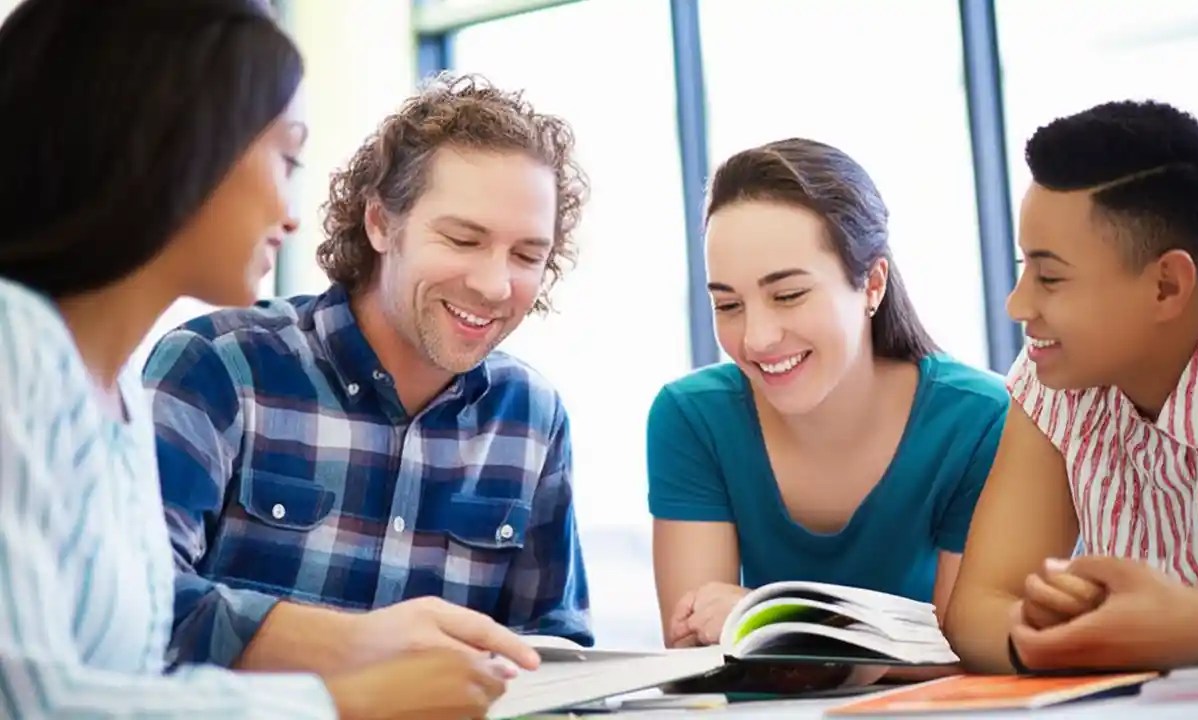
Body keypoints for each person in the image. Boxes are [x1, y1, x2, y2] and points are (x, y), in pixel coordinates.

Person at [0, 0, 528, 717]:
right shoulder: (16, 346)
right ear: (175, 143)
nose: (291, 208)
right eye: (286, 157)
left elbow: (135, 683)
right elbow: (29, 700)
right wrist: (343, 701)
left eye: (528, 253)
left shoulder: (113, 386)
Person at [142, 70, 593, 676]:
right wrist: (354, 648)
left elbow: (554, 648)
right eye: (462, 239)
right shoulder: (220, 367)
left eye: (526, 256)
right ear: (379, 222)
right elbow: (136, 607)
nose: (493, 285)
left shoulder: (532, 417)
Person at [945, 99, 1198, 674]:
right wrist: (1056, 629)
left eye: (1050, 277)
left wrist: (1189, 626)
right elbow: (976, 610)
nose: (1017, 304)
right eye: (1025, 269)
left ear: (1166, 287)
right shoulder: (1056, 383)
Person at [647, 138, 1010, 657]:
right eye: (728, 304)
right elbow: (697, 646)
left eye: (788, 295)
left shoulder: (980, 420)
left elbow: (971, 651)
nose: (756, 339)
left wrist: (774, 618)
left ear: (872, 284)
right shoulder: (692, 418)